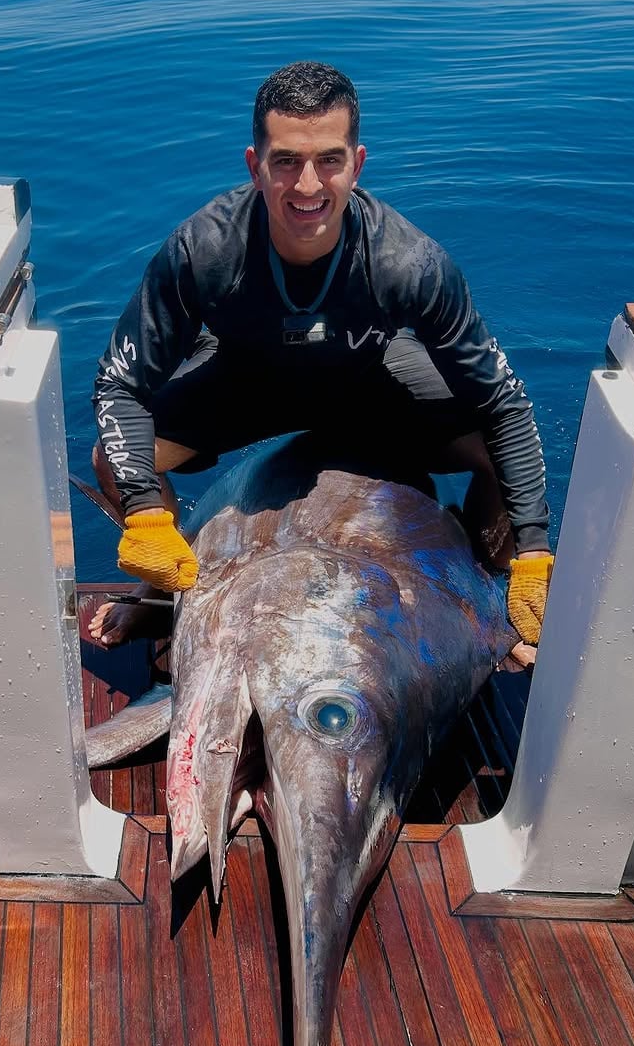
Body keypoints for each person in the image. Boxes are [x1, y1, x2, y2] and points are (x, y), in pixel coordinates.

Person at [89, 61, 553, 662]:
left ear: (357, 163)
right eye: (286, 161)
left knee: (498, 451)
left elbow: (504, 404)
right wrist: (147, 513)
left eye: (329, 160)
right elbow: (118, 386)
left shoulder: (408, 263)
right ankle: (163, 595)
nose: (308, 185)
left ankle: (481, 599)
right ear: (255, 166)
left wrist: (535, 548)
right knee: (117, 457)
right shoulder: (203, 250)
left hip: (370, 383)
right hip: (246, 386)